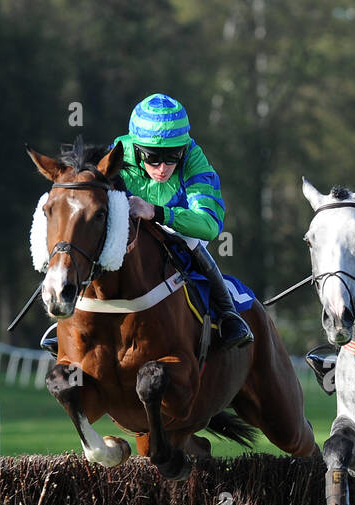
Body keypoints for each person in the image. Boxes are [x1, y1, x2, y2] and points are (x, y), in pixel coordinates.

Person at [40, 93, 251, 355]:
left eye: (173, 156)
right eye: (153, 157)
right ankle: (67, 320)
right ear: (137, 148)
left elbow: (208, 224)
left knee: (193, 241)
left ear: (184, 148)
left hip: (179, 226)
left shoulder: (195, 159)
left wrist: (158, 213)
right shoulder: (117, 154)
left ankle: (228, 314)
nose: (163, 168)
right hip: (130, 225)